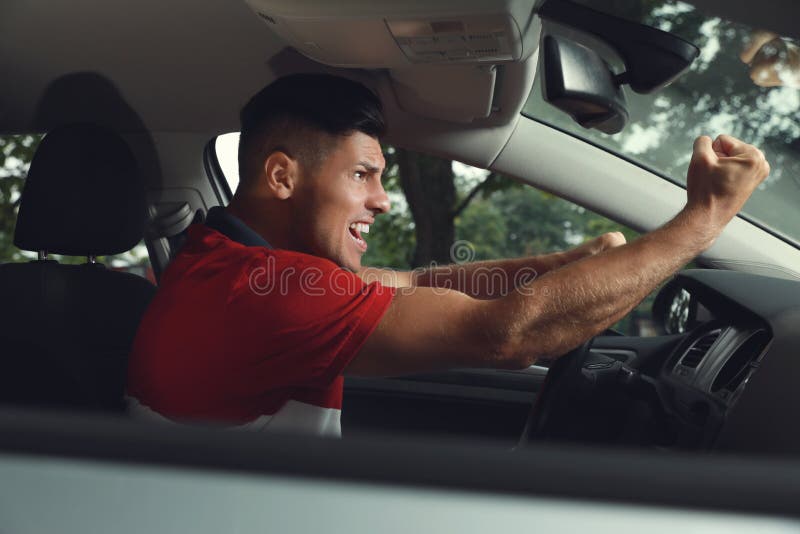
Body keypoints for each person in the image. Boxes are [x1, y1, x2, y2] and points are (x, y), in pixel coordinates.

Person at [127, 73, 770, 437]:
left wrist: (560, 267)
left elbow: (408, 281)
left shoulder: (227, 264)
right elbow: (509, 335)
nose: (383, 202)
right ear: (282, 177)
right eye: (362, 175)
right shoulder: (263, 292)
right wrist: (704, 218)